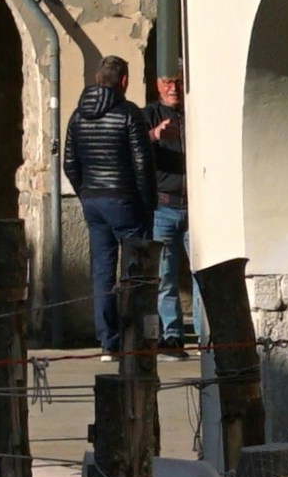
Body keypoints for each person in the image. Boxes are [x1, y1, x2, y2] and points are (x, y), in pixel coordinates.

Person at [62, 54, 154, 338]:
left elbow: (69, 162)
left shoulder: (77, 116)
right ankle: (133, 335)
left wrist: (85, 193)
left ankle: (107, 340)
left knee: (102, 272)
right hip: (125, 198)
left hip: (93, 201)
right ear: (124, 81)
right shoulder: (129, 113)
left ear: (96, 80)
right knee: (134, 269)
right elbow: (141, 162)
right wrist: (148, 201)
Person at [138, 74, 199, 344]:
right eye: (166, 81)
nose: (173, 87)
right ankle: (172, 334)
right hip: (164, 206)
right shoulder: (148, 115)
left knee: (202, 273)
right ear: (157, 84)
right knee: (165, 276)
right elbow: (132, 145)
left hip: (197, 207)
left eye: (178, 81)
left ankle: (204, 333)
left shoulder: (197, 111)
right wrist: (154, 135)